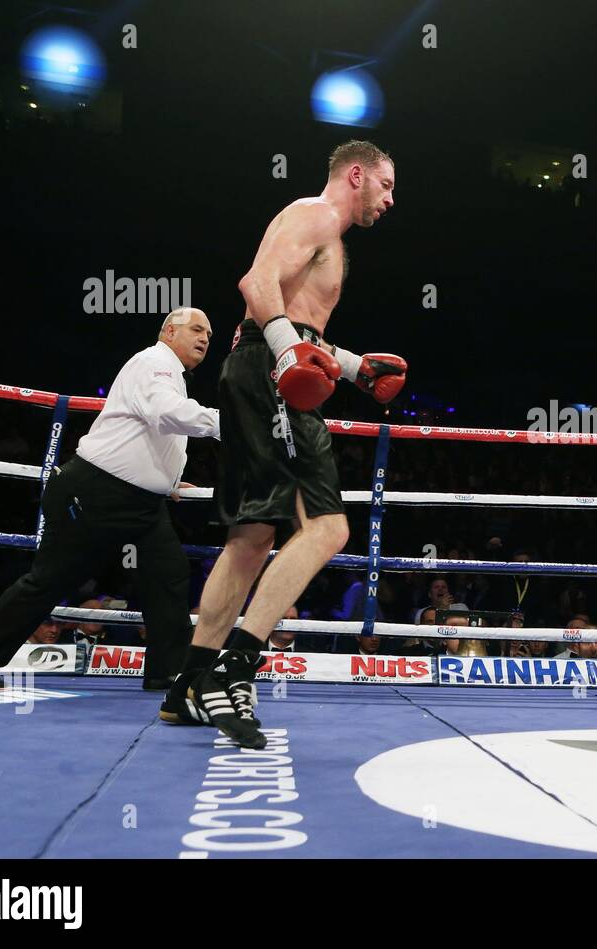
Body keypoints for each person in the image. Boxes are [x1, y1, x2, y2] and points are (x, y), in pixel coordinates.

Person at [174, 141, 408, 749]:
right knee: (328, 529)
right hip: (269, 372)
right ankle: (236, 668)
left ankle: (191, 682)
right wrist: (286, 353)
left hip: (256, 366)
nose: (389, 200)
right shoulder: (317, 213)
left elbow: (299, 326)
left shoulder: (323, 232)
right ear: (355, 175)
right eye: (384, 186)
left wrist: (356, 368)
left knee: (252, 537)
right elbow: (257, 286)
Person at [0, 308, 219, 690]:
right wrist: (230, 423)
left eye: (209, 333)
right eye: (196, 329)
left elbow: (150, 432)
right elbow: (165, 414)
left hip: (142, 504)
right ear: (169, 331)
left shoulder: (172, 374)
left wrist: (168, 479)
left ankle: (168, 672)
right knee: (50, 580)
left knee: (168, 576)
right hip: (97, 492)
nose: (205, 338)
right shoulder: (154, 361)